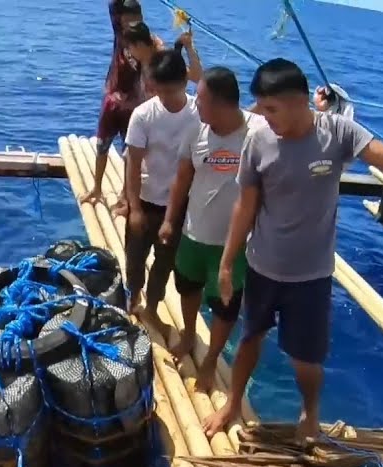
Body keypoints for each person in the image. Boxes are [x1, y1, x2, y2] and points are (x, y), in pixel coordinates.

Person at [202, 59, 383, 442]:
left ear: (301, 101)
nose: (263, 117)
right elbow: (246, 205)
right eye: (261, 108)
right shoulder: (258, 140)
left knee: (307, 358)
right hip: (262, 266)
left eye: (271, 109)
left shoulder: (338, 133)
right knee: (250, 337)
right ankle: (233, 402)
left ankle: (310, 414)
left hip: (312, 276)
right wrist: (226, 263)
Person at [160, 66, 264, 390]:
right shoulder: (195, 131)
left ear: (221, 103)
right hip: (193, 234)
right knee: (187, 288)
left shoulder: (257, 134)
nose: (196, 106)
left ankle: (210, 360)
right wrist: (168, 220)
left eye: (201, 100)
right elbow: (181, 179)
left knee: (225, 307)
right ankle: (189, 334)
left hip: (234, 244)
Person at [124, 49, 199, 320]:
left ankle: (153, 307)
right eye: (159, 90)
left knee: (165, 262)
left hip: (180, 206)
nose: (164, 97)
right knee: (134, 256)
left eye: (171, 90)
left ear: (185, 82)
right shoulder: (143, 115)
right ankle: (132, 298)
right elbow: (132, 163)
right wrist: (134, 209)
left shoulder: (199, 114)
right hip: (146, 198)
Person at [84, 1, 150, 215]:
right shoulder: (119, 35)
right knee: (102, 145)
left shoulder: (145, 41)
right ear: (120, 18)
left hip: (133, 106)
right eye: (127, 16)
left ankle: (124, 195)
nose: (131, 20)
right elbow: (113, 5)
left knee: (129, 154)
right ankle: (96, 188)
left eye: (135, 16)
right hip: (112, 101)